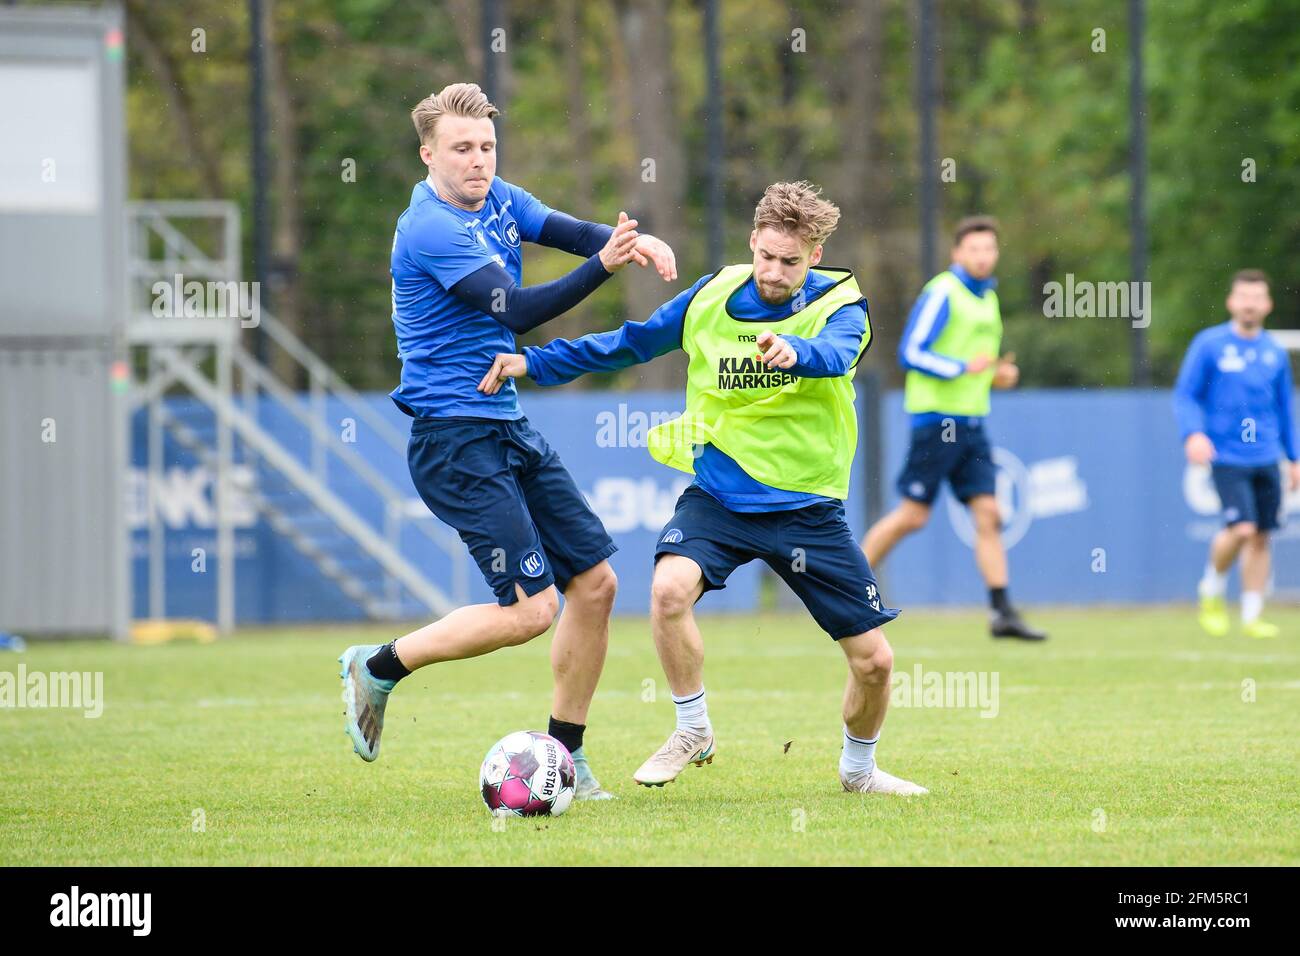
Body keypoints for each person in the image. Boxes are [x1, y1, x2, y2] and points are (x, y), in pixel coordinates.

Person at [480, 181, 927, 795]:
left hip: (808, 509)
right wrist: (538, 363)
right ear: (752, 242)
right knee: (667, 591)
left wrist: (795, 351)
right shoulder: (713, 295)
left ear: (815, 256)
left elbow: (837, 353)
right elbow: (633, 342)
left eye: (790, 261)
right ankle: (693, 727)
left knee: (875, 662)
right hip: (719, 493)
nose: (773, 271)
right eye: (765, 256)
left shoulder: (842, 306)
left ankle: (859, 769)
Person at [337, 83, 677, 802]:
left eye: (487, 147)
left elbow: (575, 231)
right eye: (462, 149)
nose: (479, 161)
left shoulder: (498, 199)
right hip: (453, 438)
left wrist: (629, 238)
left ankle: (568, 758)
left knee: (596, 584)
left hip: (503, 423)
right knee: (531, 609)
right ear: (428, 154)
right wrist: (607, 266)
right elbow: (515, 309)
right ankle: (378, 665)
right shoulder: (429, 227)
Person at [859, 216, 1046, 641]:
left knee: (990, 514)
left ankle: (1002, 613)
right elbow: (911, 352)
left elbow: (977, 366)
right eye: (974, 249)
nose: (983, 257)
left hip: (972, 422)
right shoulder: (943, 292)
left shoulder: (988, 299)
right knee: (912, 516)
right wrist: (962, 368)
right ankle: (846, 587)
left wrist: (996, 375)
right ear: (957, 253)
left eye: (989, 249)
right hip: (937, 420)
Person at [1174, 269, 1298, 639]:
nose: (1250, 304)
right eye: (1244, 296)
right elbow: (1185, 394)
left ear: (1268, 305)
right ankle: (1211, 588)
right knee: (1241, 529)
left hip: (1266, 456)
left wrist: (1293, 458)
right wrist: (1192, 434)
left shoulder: (1274, 353)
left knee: (1261, 536)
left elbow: (1284, 409)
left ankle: (1251, 615)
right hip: (1226, 455)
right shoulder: (1209, 345)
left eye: (1257, 298)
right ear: (1231, 301)